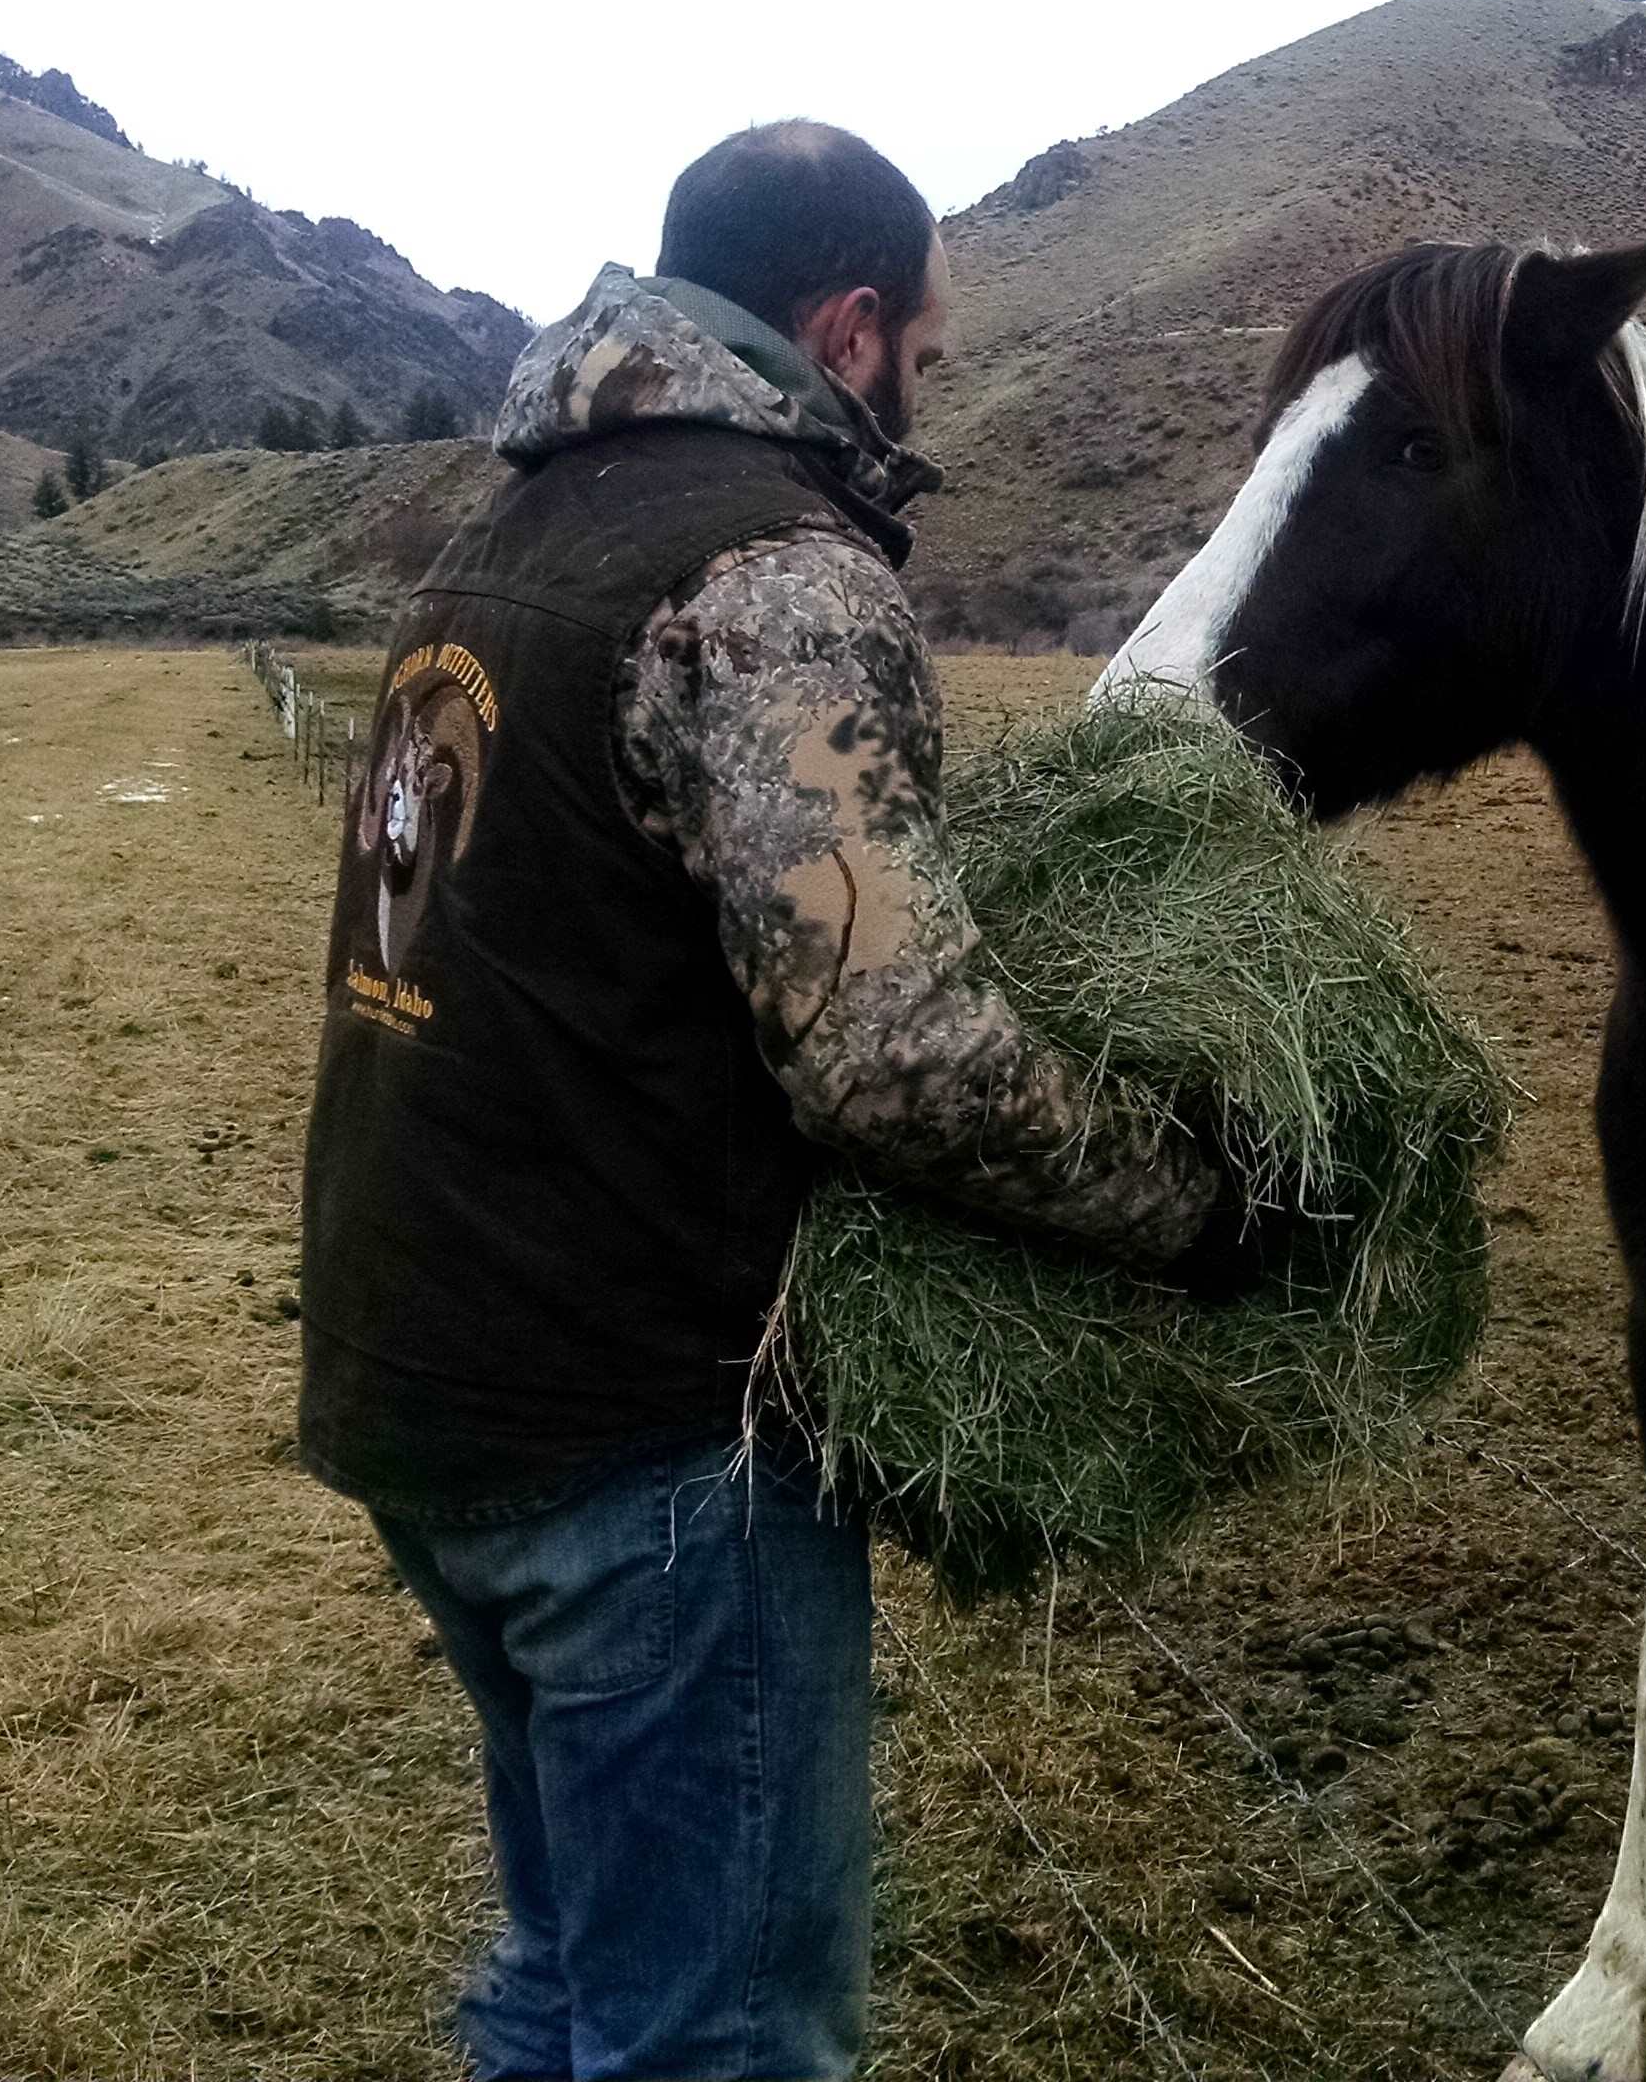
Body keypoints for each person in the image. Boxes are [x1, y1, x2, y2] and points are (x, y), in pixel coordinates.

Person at [299, 120, 1238, 2080]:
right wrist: (1194, 1203)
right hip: (640, 1436)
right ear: (849, 327)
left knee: (572, 1970)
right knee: (713, 2038)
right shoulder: (769, 574)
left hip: (422, 1373)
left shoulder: (503, 536)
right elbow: (893, 1050)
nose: (929, 395)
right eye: (928, 354)